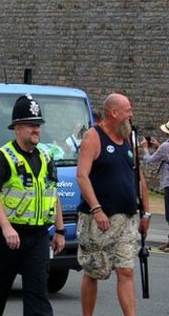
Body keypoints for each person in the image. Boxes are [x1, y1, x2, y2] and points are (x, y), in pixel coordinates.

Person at [0, 94, 64, 316]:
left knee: (38, 294)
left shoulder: (46, 156)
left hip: (37, 236)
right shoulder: (2, 157)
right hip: (6, 237)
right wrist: (6, 227)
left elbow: (52, 193)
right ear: (17, 128)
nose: (37, 130)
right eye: (32, 125)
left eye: (39, 125)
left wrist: (60, 230)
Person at [77, 93, 149, 316]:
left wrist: (145, 212)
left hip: (127, 218)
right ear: (113, 112)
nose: (131, 114)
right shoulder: (93, 136)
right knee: (93, 270)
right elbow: (81, 175)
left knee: (126, 271)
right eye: (128, 110)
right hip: (100, 219)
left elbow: (139, 177)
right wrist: (96, 209)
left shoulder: (128, 138)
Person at [140, 120, 169, 251]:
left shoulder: (165, 146)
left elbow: (150, 161)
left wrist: (145, 149)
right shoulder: (164, 147)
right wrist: (158, 147)